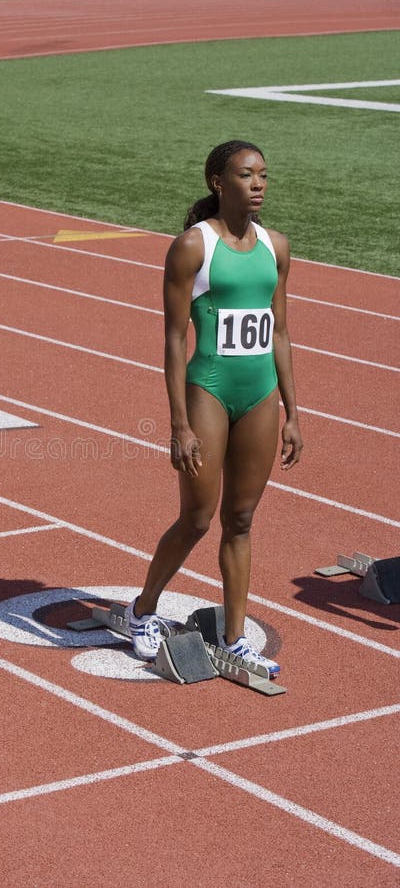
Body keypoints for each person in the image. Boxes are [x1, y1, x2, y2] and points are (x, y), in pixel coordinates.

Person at [126, 140, 303, 674]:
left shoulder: (277, 246)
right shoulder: (192, 247)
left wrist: (294, 410)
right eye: (247, 175)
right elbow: (175, 339)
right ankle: (142, 610)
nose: (258, 185)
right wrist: (178, 422)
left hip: (261, 395)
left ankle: (234, 637)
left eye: (264, 176)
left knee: (242, 518)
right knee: (199, 517)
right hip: (209, 390)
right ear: (217, 182)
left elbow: (281, 331)